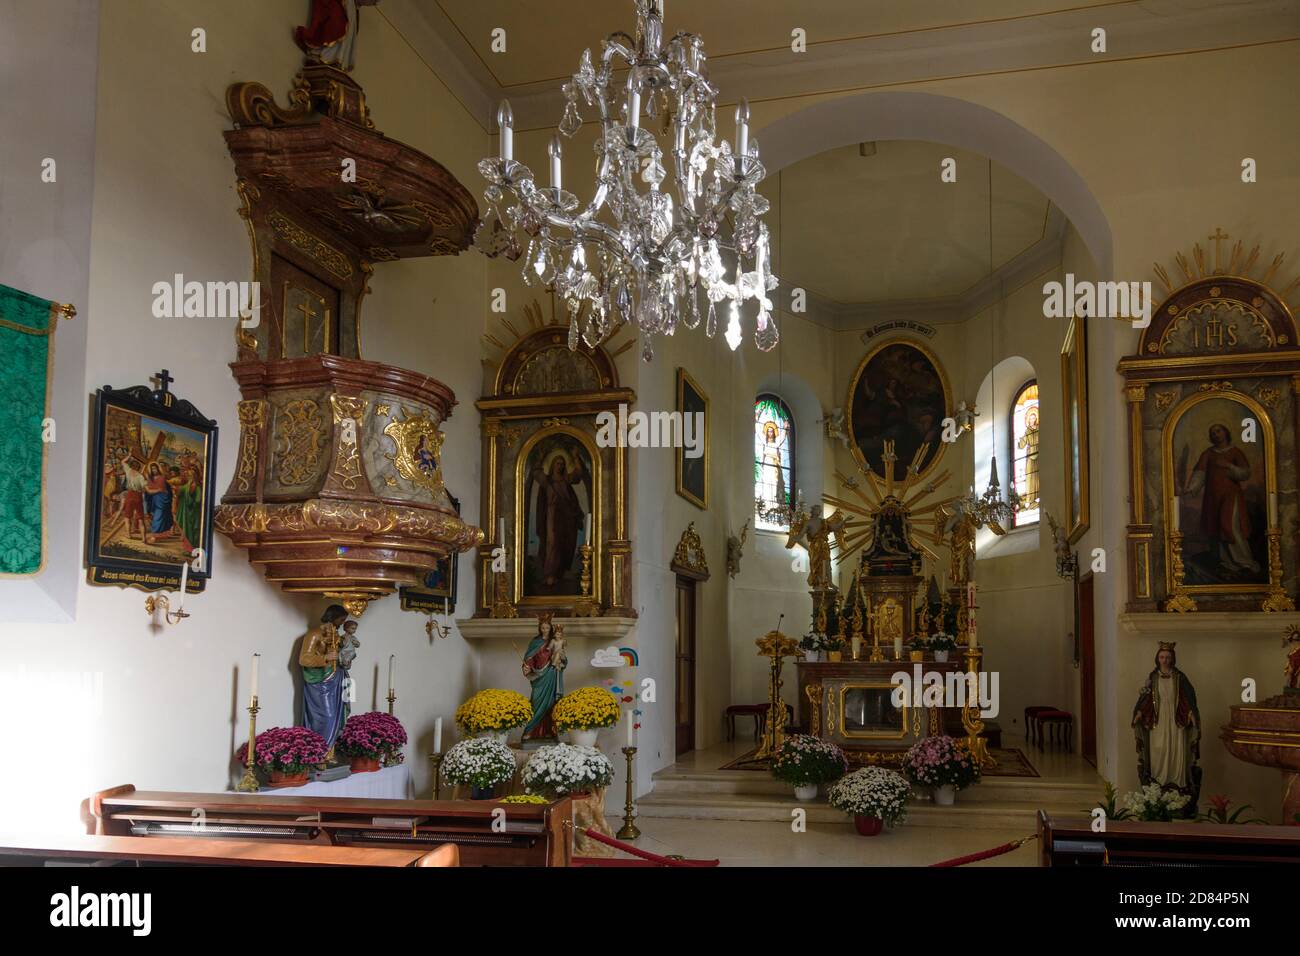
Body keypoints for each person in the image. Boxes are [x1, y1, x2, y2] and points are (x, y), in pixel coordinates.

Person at [1132, 642, 1201, 814]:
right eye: (1162, 657)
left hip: (1176, 722)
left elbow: (1187, 698)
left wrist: (1191, 714)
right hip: (1158, 721)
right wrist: (1140, 712)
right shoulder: (1153, 678)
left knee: (1177, 751)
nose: (1165, 660)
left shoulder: (1180, 677)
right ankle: (1158, 783)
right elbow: (1146, 699)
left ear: (1173, 659)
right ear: (1157, 658)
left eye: (1168, 657)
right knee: (1159, 750)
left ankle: (1178, 784)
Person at [1183, 423, 1260, 576]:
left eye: (1218, 431)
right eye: (1212, 433)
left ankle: (1245, 561)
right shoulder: (1208, 454)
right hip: (1212, 497)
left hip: (1230, 496)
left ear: (1226, 432)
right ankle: (1228, 563)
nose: (1216, 435)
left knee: (1230, 527)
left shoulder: (1235, 452)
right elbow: (1200, 473)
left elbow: (1245, 473)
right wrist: (1191, 488)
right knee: (1217, 528)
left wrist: (1230, 466)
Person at [299, 605, 348, 759]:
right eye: (340, 620)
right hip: (320, 682)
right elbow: (304, 659)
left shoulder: (336, 636)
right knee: (327, 716)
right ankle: (318, 754)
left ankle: (329, 755)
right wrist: (326, 658)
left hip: (337, 679)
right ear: (332, 617)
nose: (341, 624)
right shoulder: (314, 634)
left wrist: (343, 660)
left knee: (337, 716)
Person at [531, 454, 585, 589]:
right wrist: (540, 455)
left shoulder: (566, 479)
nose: (560, 466)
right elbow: (537, 473)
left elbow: (578, 475)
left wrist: (576, 457)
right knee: (551, 543)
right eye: (558, 463)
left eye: (562, 464)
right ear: (553, 465)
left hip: (566, 518)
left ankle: (558, 574)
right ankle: (549, 574)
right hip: (551, 515)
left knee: (563, 543)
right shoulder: (547, 481)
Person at [521, 613, 567, 740]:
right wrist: (526, 667)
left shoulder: (555, 641)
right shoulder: (535, 642)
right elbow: (529, 658)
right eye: (542, 628)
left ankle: (549, 731)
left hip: (551, 673)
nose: (545, 630)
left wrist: (562, 659)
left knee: (550, 704)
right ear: (539, 628)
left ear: (550, 628)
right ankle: (530, 731)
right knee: (536, 702)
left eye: (547, 628)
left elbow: (562, 658)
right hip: (538, 675)